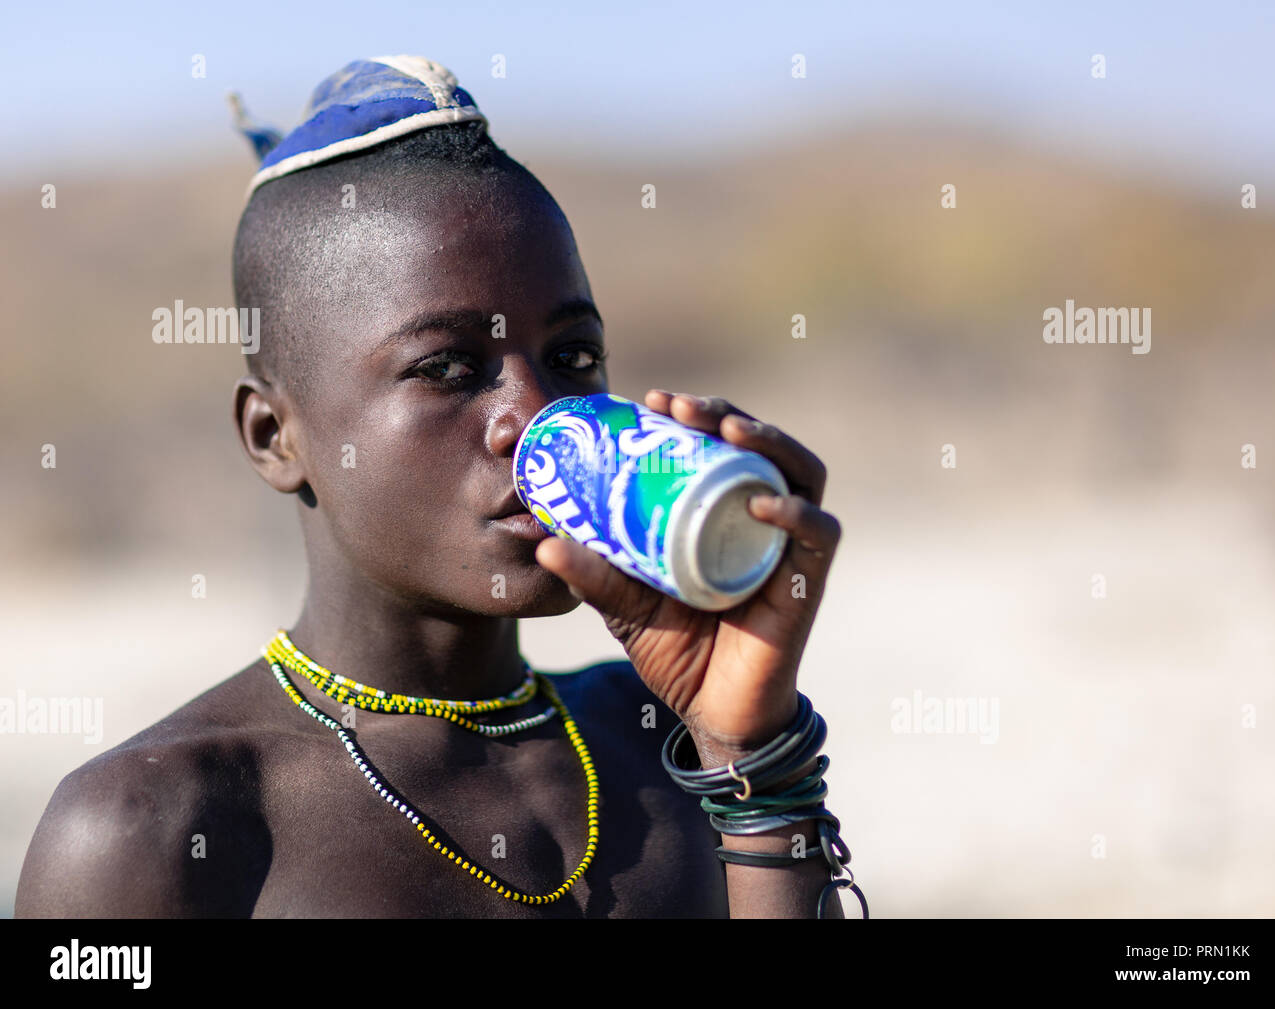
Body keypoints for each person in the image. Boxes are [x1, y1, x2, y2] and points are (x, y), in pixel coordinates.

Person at [15, 56, 849, 918]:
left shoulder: (661, 739)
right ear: (275, 438)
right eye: (447, 367)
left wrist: (755, 759)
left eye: (572, 358)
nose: (531, 414)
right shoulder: (152, 826)